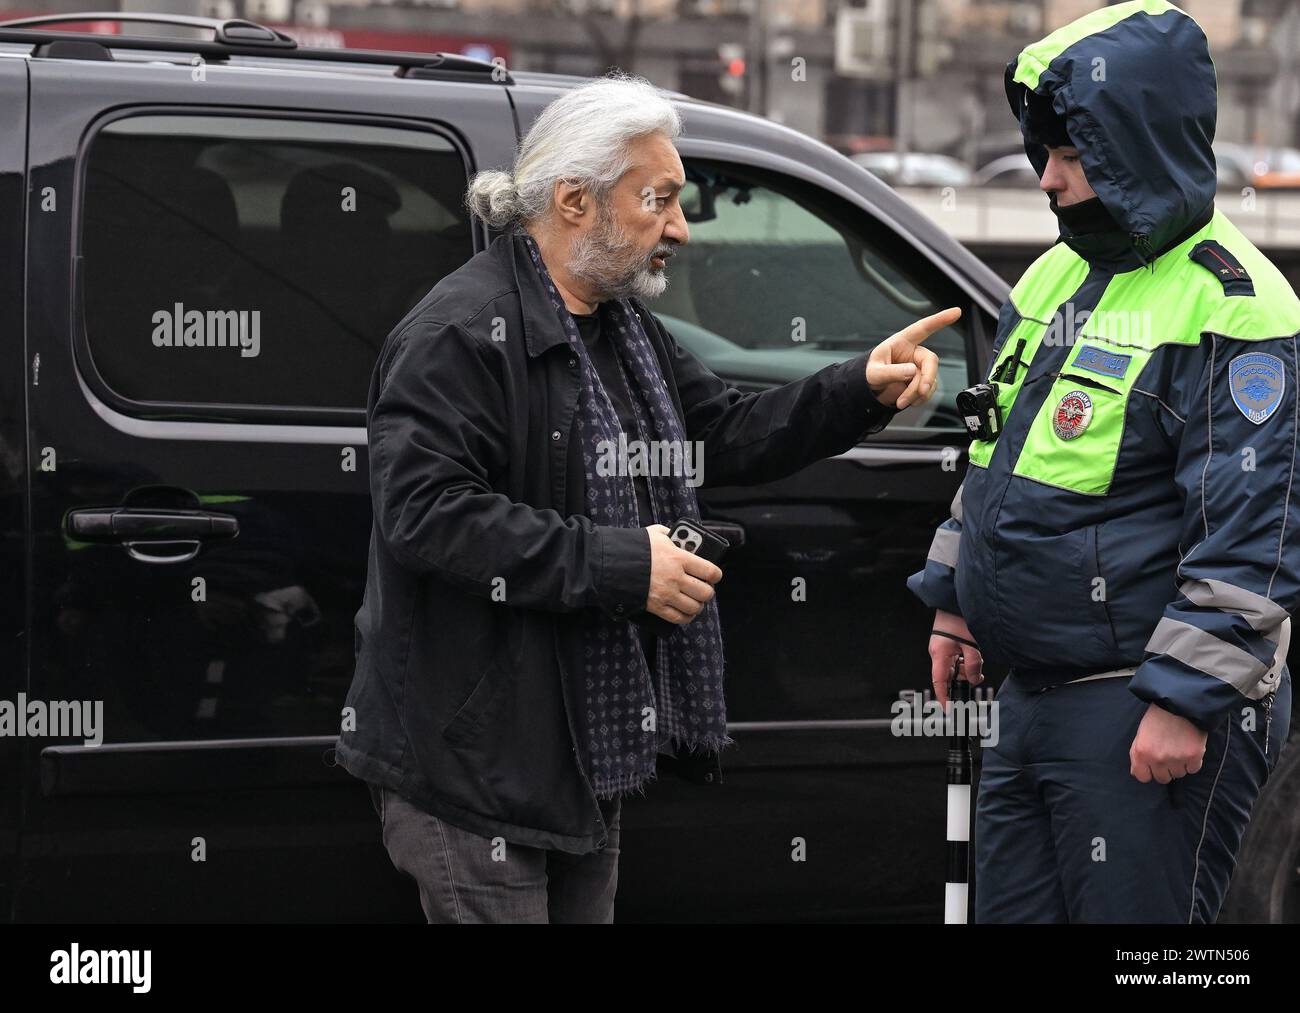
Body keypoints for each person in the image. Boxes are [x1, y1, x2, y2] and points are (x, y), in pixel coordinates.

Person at [335, 71, 958, 923]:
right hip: (474, 765)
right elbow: (426, 515)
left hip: (580, 749)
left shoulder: (622, 328)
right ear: (573, 201)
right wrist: (627, 565)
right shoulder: (458, 333)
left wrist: (860, 388)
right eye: (658, 200)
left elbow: (727, 433)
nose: (681, 229)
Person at [909, 0, 1298, 924]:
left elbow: (1256, 528)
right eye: (1045, 153)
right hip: (1033, 695)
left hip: (1140, 708)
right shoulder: (1055, 278)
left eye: (1072, 156)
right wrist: (957, 605)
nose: (1047, 179)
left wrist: (1185, 700)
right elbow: (993, 461)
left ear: (1137, 145)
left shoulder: (1232, 304)